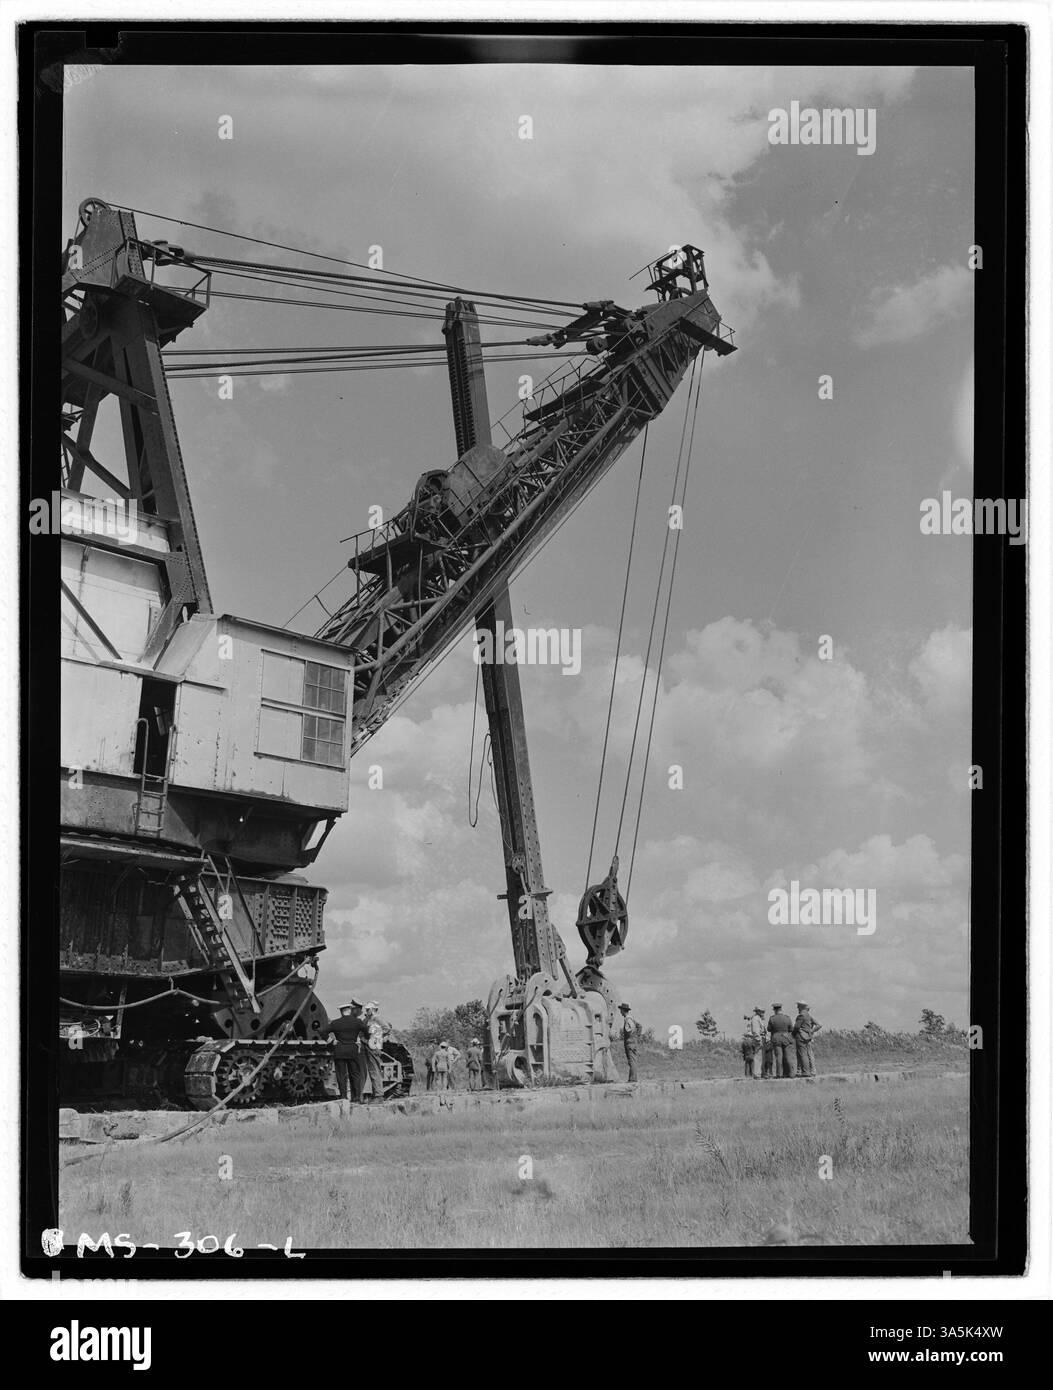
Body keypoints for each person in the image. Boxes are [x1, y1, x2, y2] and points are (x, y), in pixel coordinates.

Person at [327, 1000, 364, 1101]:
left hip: (340, 1051)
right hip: (353, 1050)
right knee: (355, 1074)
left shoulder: (335, 1023)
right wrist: (361, 1040)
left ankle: (343, 1097)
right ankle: (356, 1098)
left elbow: (322, 1031)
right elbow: (367, 1031)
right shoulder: (358, 1022)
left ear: (341, 1012)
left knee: (341, 1075)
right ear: (350, 1010)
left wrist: (331, 1041)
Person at [362, 1001, 387, 1103]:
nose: (366, 1011)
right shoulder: (369, 1019)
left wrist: (374, 1038)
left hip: (373, 1047)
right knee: (372, 1071)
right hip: (369, 1046)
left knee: (374, 1071)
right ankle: (376, 1094)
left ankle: (379, 1095)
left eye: (368, 1010)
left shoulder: (376, 1019)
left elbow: (386, 1028)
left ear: (372, 1010)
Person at [793, 1002, 822, 1078]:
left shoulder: (801, 1016)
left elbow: (796, 1027)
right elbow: (819, 1025)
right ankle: (812, 1071)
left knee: (802, 1054)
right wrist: (811, 1032)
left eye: (798, 1006)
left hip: (801, 1036)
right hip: (808, 1037)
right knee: (809, 1054)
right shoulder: (809, 1016)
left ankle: (804, 1071)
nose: (797, 1008)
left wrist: (793, 1034)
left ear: (801, 1007)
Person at [768, 1002, 796, 1079]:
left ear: (774, 1010)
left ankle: (779, 1074)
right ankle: (791, 1073)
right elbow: (791, 1029)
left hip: (776, 1038)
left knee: (779, 1057)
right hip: (786, 1037)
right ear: (781, 1009)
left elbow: (769, 1029)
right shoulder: (787, 1018)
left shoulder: (772, 1018)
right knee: (788, 1056)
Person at [618, 1002, 639, 1082]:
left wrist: (629, 1035)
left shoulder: (628, 1019)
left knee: (632, 1061)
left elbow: (630, 1029)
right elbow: (639, 1026)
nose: (620, 1012)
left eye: (621, 1010)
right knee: (633, 1060)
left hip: (630, 1042)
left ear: (623, 1010)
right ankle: (632, 1078)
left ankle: (633, 1079)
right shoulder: (631, 1018)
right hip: (633, 1042)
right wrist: (636, 1036)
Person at [749, 1005, 766, 1080]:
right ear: (758, 1012)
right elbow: (755, 1031)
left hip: (761, 1038)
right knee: (758, 1057)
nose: (763, 1013)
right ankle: (757, 1074)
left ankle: (760, 1073)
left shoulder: (758, 1019)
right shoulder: (755, 1019)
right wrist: (758, 1040)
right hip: (759, 1039)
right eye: (761, 1011)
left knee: (761, 1057)